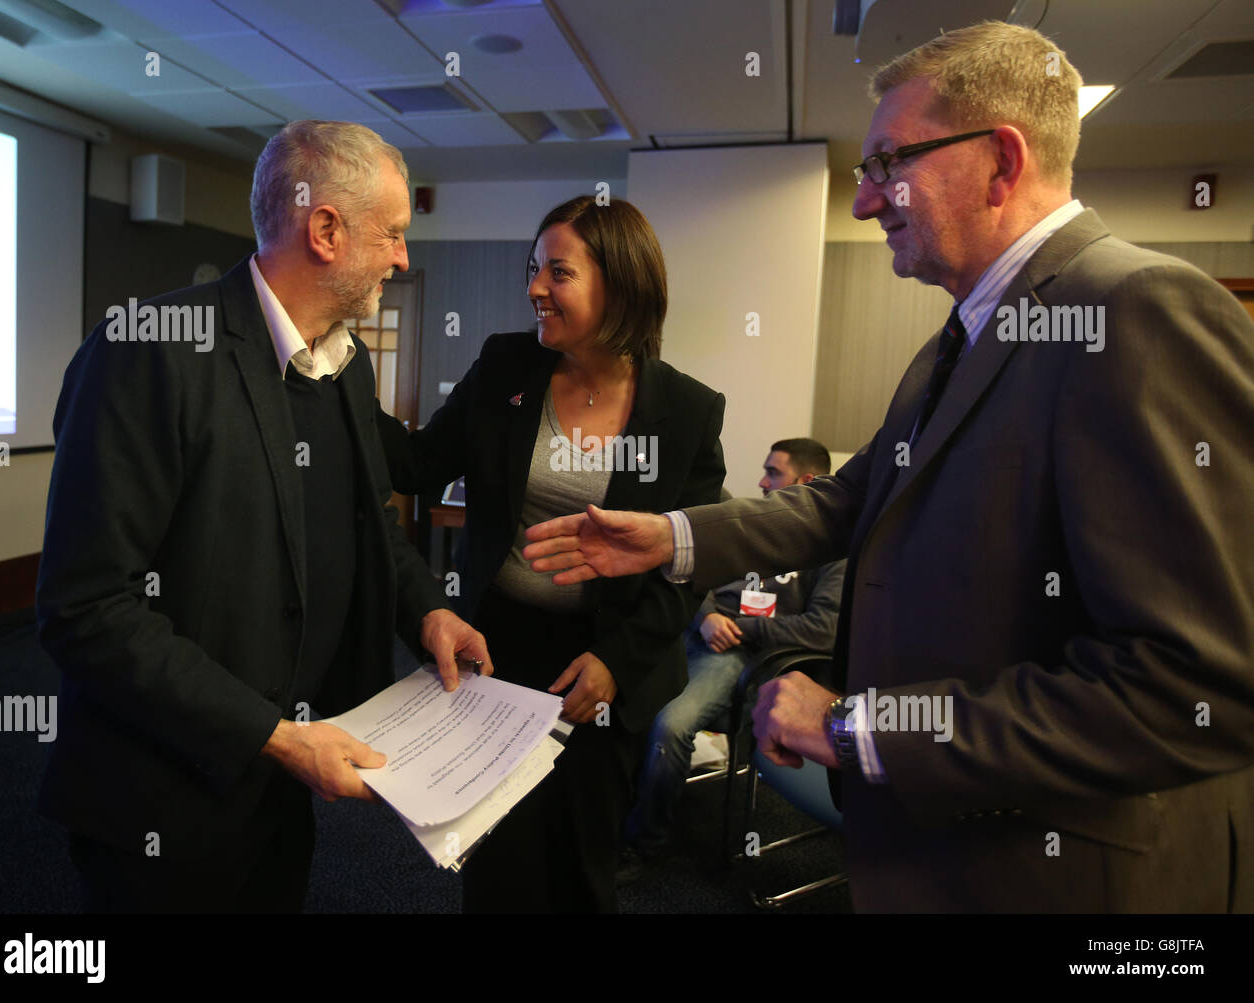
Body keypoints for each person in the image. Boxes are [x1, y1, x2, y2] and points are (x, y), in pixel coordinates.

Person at [523, 22, 1254, 912]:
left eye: (885, 165)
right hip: (941, 851)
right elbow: (849, 499)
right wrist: (669, 536)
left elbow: (1196, 686)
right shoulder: (954, 340)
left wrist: (857, 726)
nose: (867, 202)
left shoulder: (1139, 310)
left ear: (1002, 160)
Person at [36, 120, 491, 913]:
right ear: (325, 229)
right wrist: (276, 736)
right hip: (164, 797)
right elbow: (88, 610)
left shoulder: (347, 365)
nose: (402, 256)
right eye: (391, 234)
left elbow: (368, 522)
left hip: (281, 781)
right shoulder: (148, 353)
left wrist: (427, 611)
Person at [377, 195, 726, 912]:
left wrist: (617, 666)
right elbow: (416, 464)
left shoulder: (686, 410)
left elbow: (689, 564)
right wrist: (336, 376)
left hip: (600, 662)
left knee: (579, 864)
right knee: (495, 850)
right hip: (496, 646)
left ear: (621, 284)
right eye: (533, 268)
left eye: (557, 271)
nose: (535, 286)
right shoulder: (507, 364)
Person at [620, 438, 845, 877]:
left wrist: (739, 627)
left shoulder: (834, 553)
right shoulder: (756, 524)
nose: (761, 482)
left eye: (773, 473)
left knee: (670, 725)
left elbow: (823, 630)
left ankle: (645, 844)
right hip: (693, 630)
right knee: (611, 696)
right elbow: (692, 576)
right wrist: (705, 617)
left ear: (808, 482)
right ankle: (604, 814)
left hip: (744, 655)